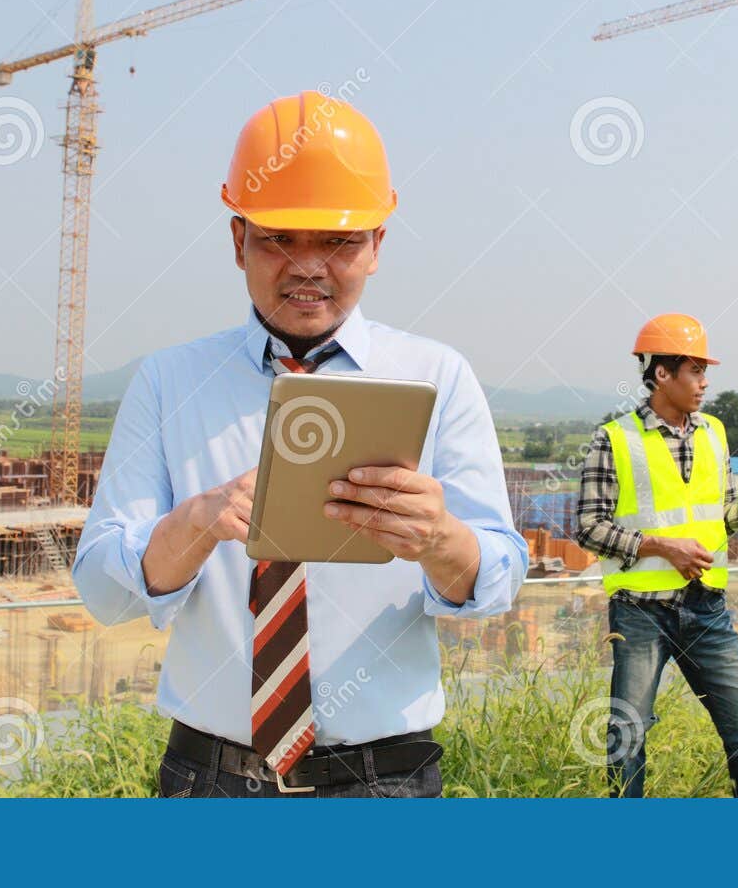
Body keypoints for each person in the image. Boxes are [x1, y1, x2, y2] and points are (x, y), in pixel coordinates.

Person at [72, 91, 527, 798]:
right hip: (210, 782)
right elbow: (102, 588)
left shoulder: (437, 378)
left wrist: (440, 538)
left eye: (339, 241)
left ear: (378, 246)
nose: (307, 265)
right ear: (237, 241)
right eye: (279, 237)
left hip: (383, 782)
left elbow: (498, 578)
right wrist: (190, 527)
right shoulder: (170, 382)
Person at [574, 313, 738, 797]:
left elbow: (718, 518)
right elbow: (588, 528)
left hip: (706, 608)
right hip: (639, 613)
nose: (704, 381)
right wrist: (660, 546)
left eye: (704, 370)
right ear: (661, 374)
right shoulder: (614, 439)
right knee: (626, 741)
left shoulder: (715, 433)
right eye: (695, 370)